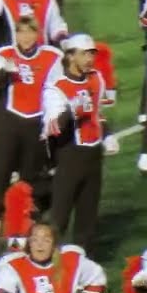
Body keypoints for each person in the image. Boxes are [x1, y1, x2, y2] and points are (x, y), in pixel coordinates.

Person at [42, 34, 118, 253]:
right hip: (69, 156)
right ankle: (48, 262)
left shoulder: (96, 79)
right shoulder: (56, 88)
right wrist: (72, 111)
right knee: (60, 216)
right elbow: (52, 128)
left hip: (94, 156)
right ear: (70, 56)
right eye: (84, 54)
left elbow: (97, 113)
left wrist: (107, 133)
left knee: (88, 215)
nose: (89, 59)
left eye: (92, 54)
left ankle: (81, 265)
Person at [0, 18, 62, 215]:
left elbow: (57, 87)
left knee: (30, 170)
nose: (25, 37)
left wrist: (52, 116)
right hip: (10, 119)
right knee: (2, 168)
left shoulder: (51, 56)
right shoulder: (5, 54)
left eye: (30, 32)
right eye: (21, 32)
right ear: (15, 34)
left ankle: (26, 210)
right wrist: (5, 71)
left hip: (36, 120)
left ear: (37, 34)